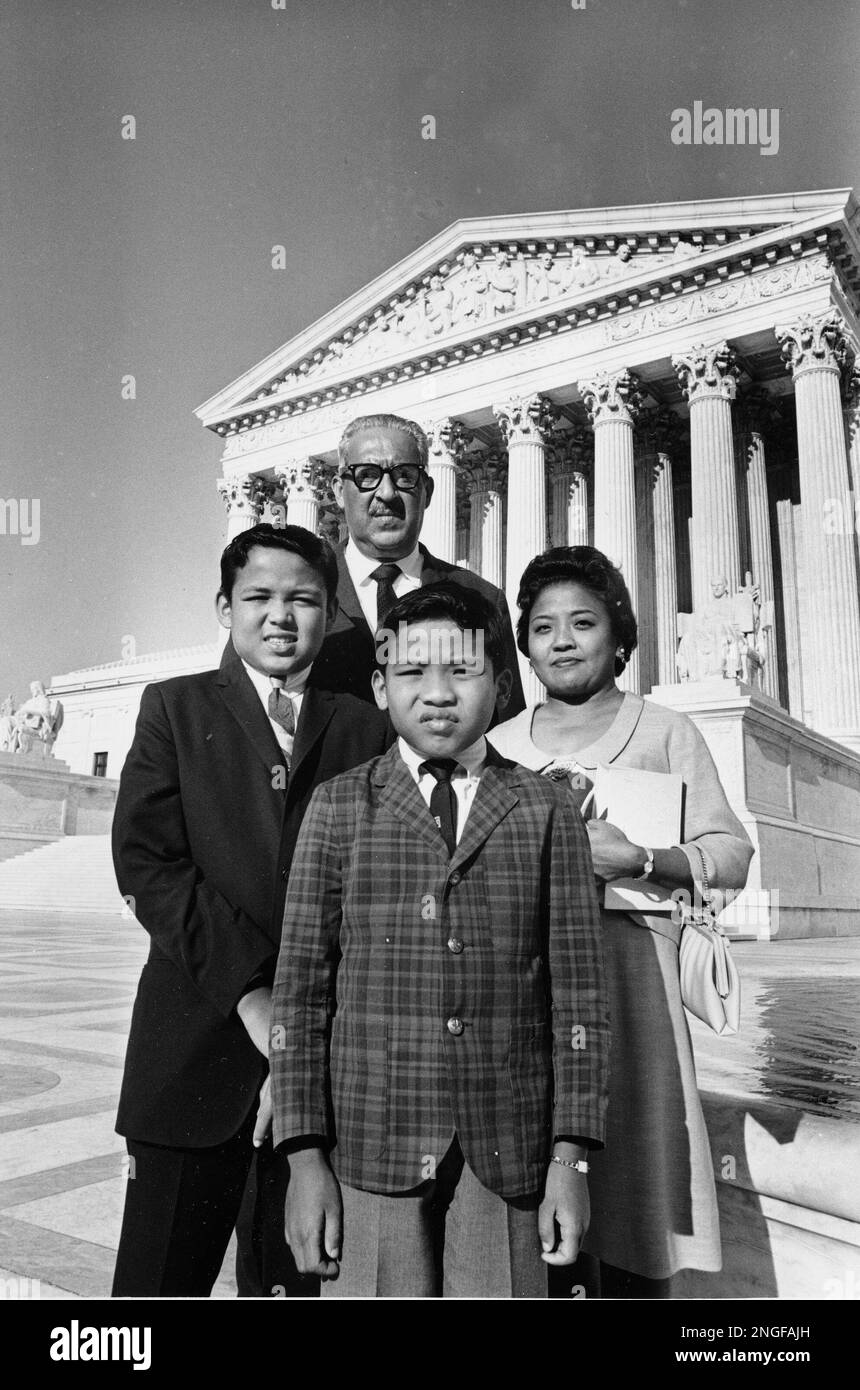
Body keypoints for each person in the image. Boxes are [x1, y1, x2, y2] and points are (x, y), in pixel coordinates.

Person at [269, 583, 610, 1298]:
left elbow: (580, 998)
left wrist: (569, 1162)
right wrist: (303, 1159)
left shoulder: (546, 809)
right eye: (413, 672)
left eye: (462, 670)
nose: (438, 694)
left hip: (509, 1159)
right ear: (380, 685)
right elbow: (299, 997)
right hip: (370, 1152)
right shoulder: (337, 808)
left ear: (502, 683)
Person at [111, 524, 391, 1298]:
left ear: (329, 614)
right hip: (191, 1060)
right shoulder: (173, 707)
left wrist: (301, 1027)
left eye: (302, 599)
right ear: (224, 606)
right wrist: (250, 992)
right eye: (259, 596)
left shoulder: (365, 728)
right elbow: (148, 867)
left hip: (323, 1081)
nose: (280, 615)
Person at [489, 546, 753, 1298]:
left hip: (634, 998)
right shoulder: (499, 744)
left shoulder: (665, 732)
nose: (562, 640)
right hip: (524, 1003)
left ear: (620, 636)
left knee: (635, 1225)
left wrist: (638, 857)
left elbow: (729, 853)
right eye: (543, 627)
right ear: (526, 643)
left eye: (582, 622)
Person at [311, 412, 524, 717]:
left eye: (405, 476)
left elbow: (505, 727)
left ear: (427, 492)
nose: (386, 493)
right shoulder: (302, 592)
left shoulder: (482, 598)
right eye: (367, 475)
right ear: (337, 492)